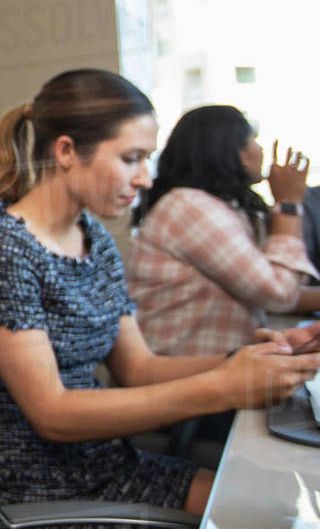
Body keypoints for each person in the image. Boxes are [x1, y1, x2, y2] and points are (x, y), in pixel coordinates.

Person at [0, 68, 320, 524]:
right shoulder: (0, 247)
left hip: (108, 470)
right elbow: (53, 413)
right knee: (264, 517)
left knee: (278, 508)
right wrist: (225, 386)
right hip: (33, 495)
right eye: (131, 158)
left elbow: (139, 369)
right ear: (66, 151)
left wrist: (261, 356)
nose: (144, 178)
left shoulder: (93, 238)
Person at [128, 105, 320, 358]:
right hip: (183, 381)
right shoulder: (189, 208)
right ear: (235, 152)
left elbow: (280, 290)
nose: (261, 151)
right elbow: (278, 294)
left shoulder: (223, 210)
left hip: (212, 374)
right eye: (255, 141)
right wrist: (289, 205)